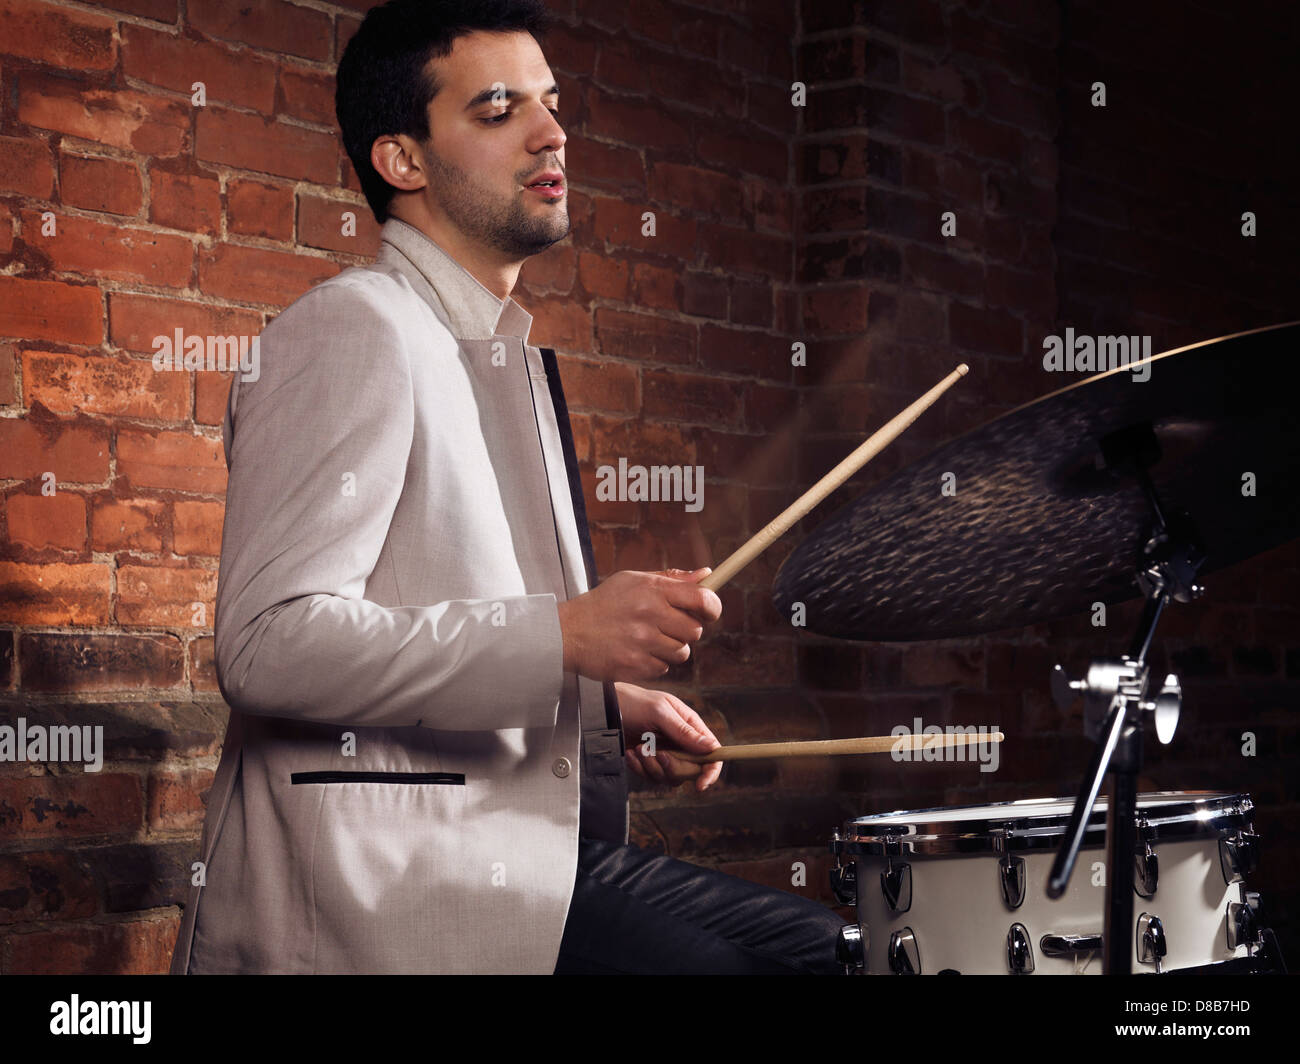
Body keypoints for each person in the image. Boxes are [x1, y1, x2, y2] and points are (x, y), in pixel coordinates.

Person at [169, 0, 847, 975]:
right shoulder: (355, 327)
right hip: (396, 882)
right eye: (497, 110)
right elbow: (268, 643)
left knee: (827, 947)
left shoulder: (494, 354)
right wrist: (563, 636)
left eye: (551, 102)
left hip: (522, 853)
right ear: (402, 160)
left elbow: (447, 611)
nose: (551, 131)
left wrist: (599, 702)